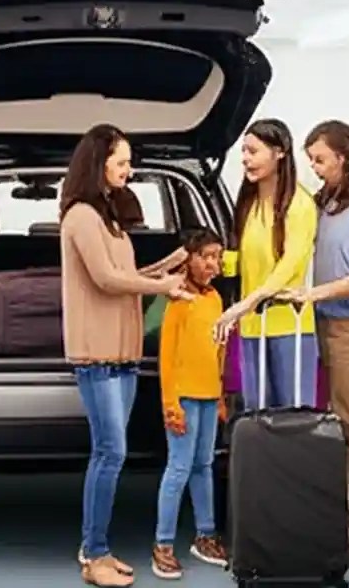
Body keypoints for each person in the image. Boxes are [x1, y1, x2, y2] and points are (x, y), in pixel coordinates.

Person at [60, 123, 192, 588]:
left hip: (123, 355)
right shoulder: (80, 217)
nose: (128, 170)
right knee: (110, 452)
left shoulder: (108, 218)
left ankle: (100, 549)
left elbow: (126, 275)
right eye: (122, 162)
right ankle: (93, 553)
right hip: (96, 355)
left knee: (112, 453)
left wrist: (169, 266)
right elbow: (105, 279)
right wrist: (162, 285)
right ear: (99, 163)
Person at [280, 119, 349, 561]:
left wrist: (319, 293)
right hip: (320, 327)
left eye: (320, 159)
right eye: (310, 160)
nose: (315, 167)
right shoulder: (322, 204)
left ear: (343, 157)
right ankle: (332, 521)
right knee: (325, 428)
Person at [212, 119, 320, 411]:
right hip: (252, 326)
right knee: (257, 414)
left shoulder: (300, 204)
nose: (245, 159)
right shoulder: (248, 203)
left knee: (292, 415)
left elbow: (288, 266)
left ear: (280, 152)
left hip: (289, 325)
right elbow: (239, 258)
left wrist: (246, 304)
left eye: (253, 151)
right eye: (243, 152)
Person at [151, 228, 231, 580]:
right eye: (206, 256)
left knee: (204, 464)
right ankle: (163, 544)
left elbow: (219, 350)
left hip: (209, 397)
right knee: (179, 468)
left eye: (218, 257)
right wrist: (171, 404)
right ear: (189, 259)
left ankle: (205, 535)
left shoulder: (215, 299)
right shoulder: (178, 301)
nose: (213, 264)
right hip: (183, 398)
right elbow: (167, 358)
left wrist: (221, 396)